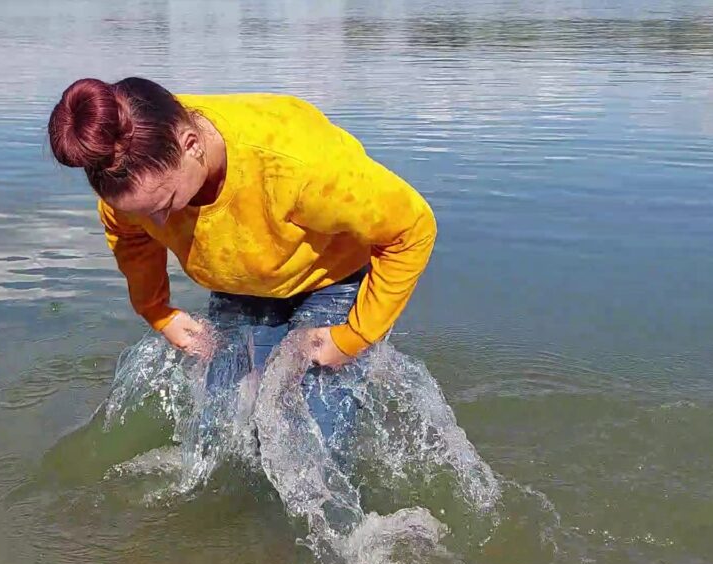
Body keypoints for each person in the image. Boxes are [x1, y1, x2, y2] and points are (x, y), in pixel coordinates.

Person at [48, 77, 436, 449]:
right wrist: (157, 311)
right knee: (221, 429)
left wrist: (352, 339)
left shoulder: (299, 165)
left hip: (332, 277)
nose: (160, 225)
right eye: (145, 214)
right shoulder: (128, 164)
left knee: (315, 444)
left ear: (191, 144)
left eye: (166, 206)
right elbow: (128, 235)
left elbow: (411, 229)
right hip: (241, 281)